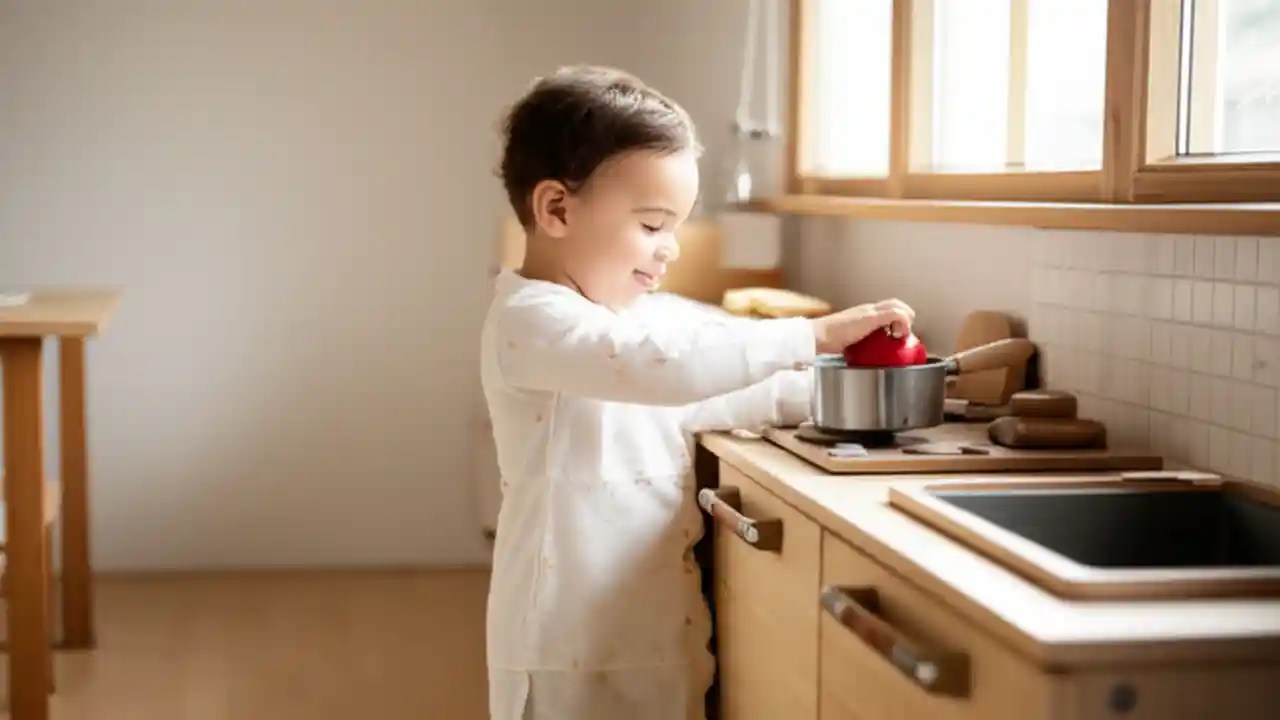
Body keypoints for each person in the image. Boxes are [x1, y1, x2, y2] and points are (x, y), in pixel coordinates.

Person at [480, 65, 914, 720]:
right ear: (556, 209)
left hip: (655, 631)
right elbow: (669, 371)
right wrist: (813, 335)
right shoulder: (533, 321)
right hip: (563, 645)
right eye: (653, 226)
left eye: (676, 227)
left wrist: (861, 392)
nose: (672, 249)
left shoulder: (627, 322)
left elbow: (721, 395)